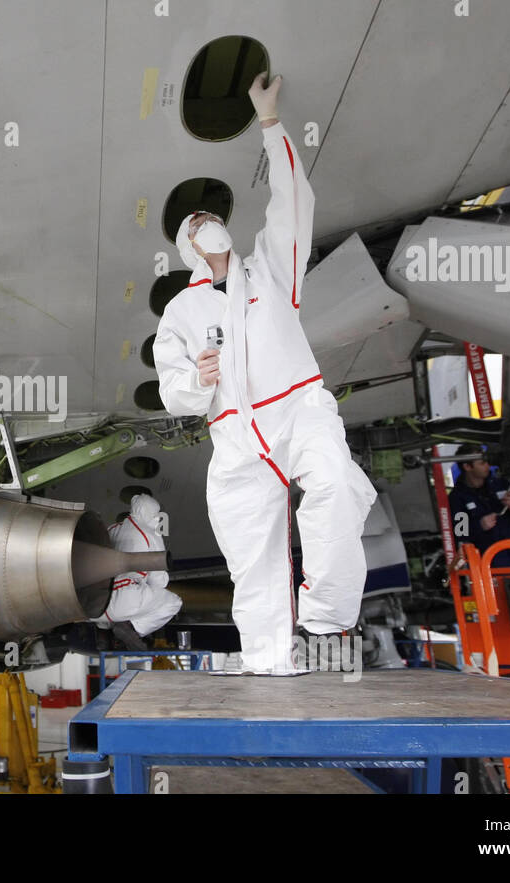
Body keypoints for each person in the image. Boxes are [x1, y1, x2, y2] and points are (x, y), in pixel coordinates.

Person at [152, 72, 377, 673]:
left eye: (209, 216)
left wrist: (270, 121)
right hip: (234, 438)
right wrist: (199, 380)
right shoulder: (181, 312)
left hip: (298, 408)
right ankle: (271, 668)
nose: (206, 222)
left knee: (332, 484)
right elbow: (175, 397)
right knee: (252, 561)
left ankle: (326, 619)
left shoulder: (272, 272)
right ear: (189, 248)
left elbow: (294, 202)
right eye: (195, 224)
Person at [92, 493, 182, 650]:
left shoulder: (113, 529)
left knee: (109, 584)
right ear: (152, 514)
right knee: (173, 602)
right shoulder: (150, 534)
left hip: (96, 607)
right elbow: (158, 580)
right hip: (124, 602)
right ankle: (131, 628)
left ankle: (103, 635)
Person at [448, 443, 510, 567]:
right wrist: (480, 525)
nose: (487, 466)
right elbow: (460, 533)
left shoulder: (501, 484)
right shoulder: (457, 497)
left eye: (487, 461)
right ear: (467, 466)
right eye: (482, 463)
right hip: (487, 562)